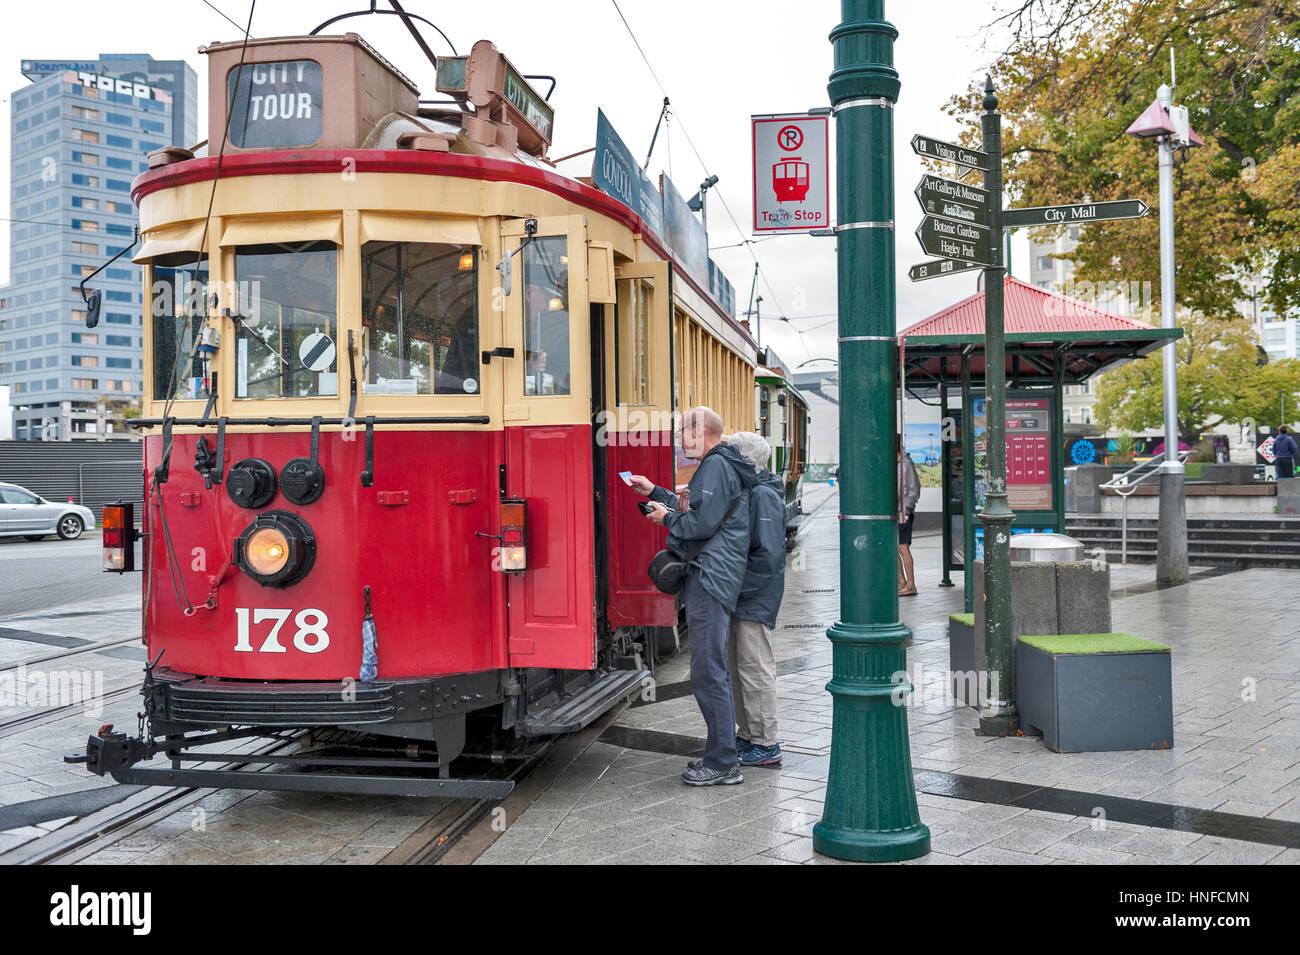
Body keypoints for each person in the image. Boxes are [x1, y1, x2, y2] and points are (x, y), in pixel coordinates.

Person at [630, 407, 759, 786]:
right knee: (710, 670)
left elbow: (699, 523)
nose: (678, 439)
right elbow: (701, 510)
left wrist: (663, 517)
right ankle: (722, 755)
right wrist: (656, 493)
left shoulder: (716, 466)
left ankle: (722, 762)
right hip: (714, 573)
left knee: (708, 672)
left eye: (682, 431)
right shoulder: (721, 464)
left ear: (699, 430)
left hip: (711, 576)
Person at [722, 431, 785, 767]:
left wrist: (738, 588)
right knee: (740, 667)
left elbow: (768, 553)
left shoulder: (762, 495)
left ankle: (766, 742)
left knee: (754, 668)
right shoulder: (754, 491)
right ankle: (749, 735)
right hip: (744, 595)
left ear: (745, 460)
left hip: (753, 597)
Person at [897, 432, 921, 597]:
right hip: (894, 510)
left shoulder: (906, 463)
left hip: (903, 510)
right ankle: (901, 582)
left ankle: (911, 584)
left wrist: (908, 506)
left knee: (902, 546)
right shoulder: (894, 463)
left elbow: (914, 488)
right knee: (894, 547)